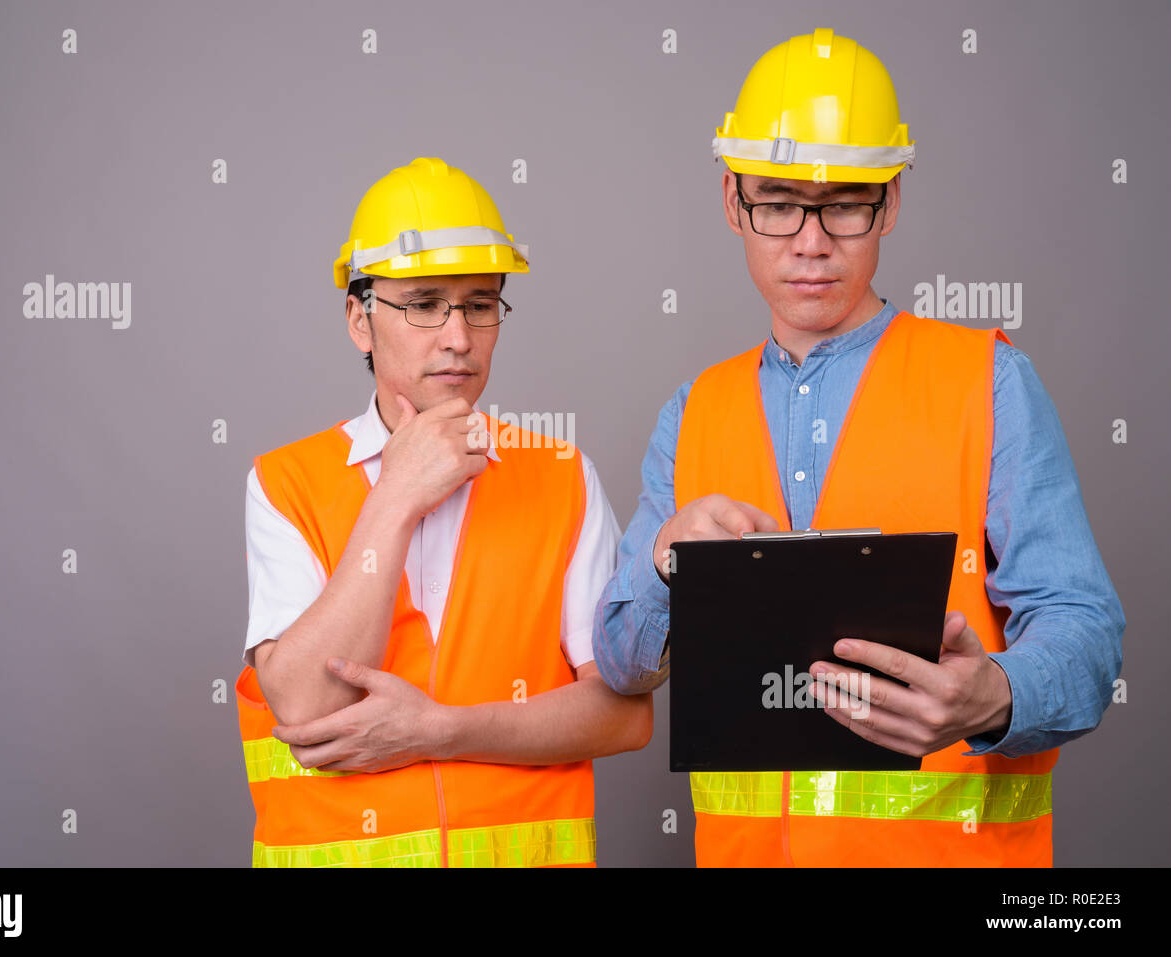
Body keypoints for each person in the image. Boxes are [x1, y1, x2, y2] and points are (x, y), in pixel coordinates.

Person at [592, 28, 1124, 867]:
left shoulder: (989, 382)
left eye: (845, 202)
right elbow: (621, 668)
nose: (811, 240)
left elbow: (1087, 632)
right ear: (731, 201)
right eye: (777, 201)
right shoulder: (693, 412)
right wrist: (664, 557)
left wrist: (994, 693)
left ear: (893, 201)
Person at [234, 156, 651, 867]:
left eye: (480, 304)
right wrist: (394, 498)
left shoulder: (562, 478)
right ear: (360, 320)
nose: (458, 335)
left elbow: (625, 714)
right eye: (424, 303)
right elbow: (303, 702)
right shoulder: (285, 483)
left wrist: (441, 729)